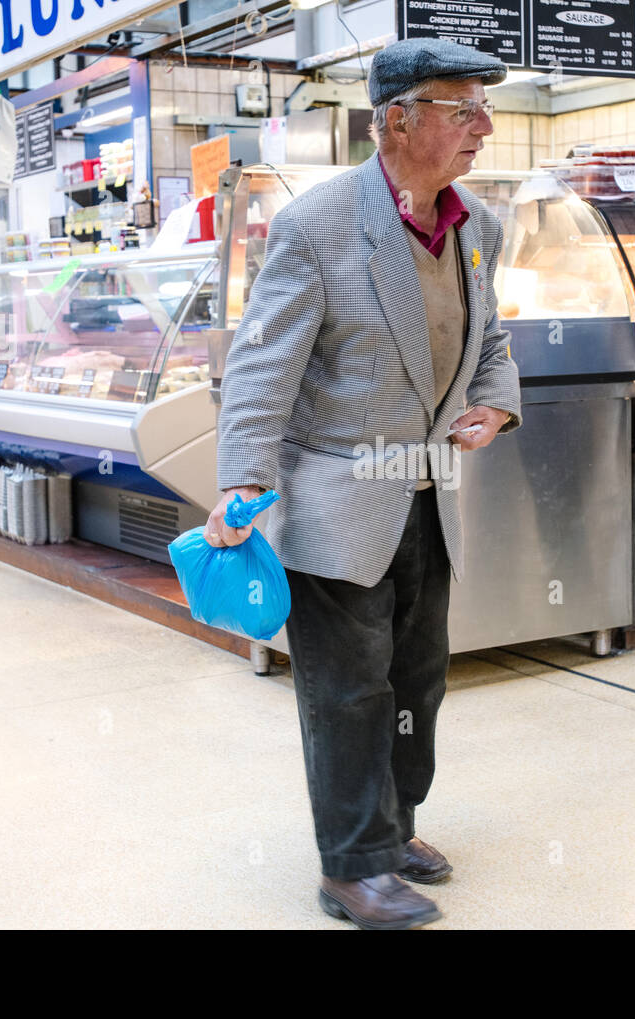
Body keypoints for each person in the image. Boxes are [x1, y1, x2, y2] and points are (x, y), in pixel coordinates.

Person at [208, 39, 521, 930]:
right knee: (348, 690)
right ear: (396, 122)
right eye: (462, 111)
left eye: (480, 111)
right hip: (338, 497)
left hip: (427, 494)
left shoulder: (476, 228)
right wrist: (244, 484)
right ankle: (351, 868)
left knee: (418, 681)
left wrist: (495, 408)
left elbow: (492, 344)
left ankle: (393, 828)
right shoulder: (319, 226)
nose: (483, 128)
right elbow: (263, 367)